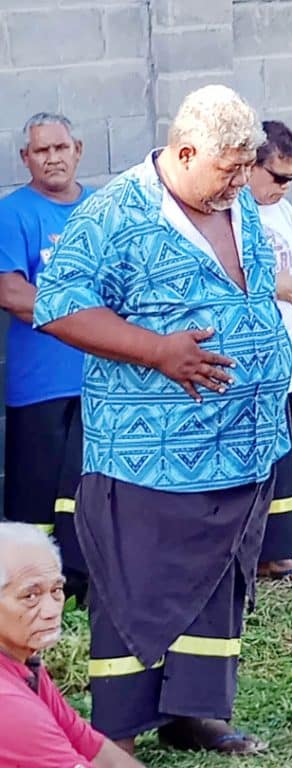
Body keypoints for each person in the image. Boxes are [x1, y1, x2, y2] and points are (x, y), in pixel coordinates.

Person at [33, 85, 292, 756]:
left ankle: (194, 711)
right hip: (152, 453)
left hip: (240, 446)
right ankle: (119, 726)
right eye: (229, 169)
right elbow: (57, 305)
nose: (241, 182)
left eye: (246, 168)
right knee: (138, 586)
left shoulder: (234, 203)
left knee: (216, 584)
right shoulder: (115, 211)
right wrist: (157, 351)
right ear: (183, 152)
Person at [0, 113, 92, 601]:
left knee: (94, 494)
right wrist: (86, 319)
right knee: (35, 501)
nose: (53, 158)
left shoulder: (103, 209)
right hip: (39, 386)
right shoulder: (13, 213)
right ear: (25, 158)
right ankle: (34, 591)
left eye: (60, 148)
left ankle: (86, 585)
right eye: (41, 151)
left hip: (100, 380)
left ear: (77, 149)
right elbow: (12, 292)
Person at [0, 523, 145, 767]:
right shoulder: (8, 705)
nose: (51, 610)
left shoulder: (24, 662)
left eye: (56, 590)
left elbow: (88, 743)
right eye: (30, 596)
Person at [249, 120, 292, 584]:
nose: (284, 188)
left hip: (282, 358)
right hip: (245, 363)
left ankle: (283, 552)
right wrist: (276, 284)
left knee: (281, 461)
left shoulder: (286, 214)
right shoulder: (231, 211)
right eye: (277, 177)